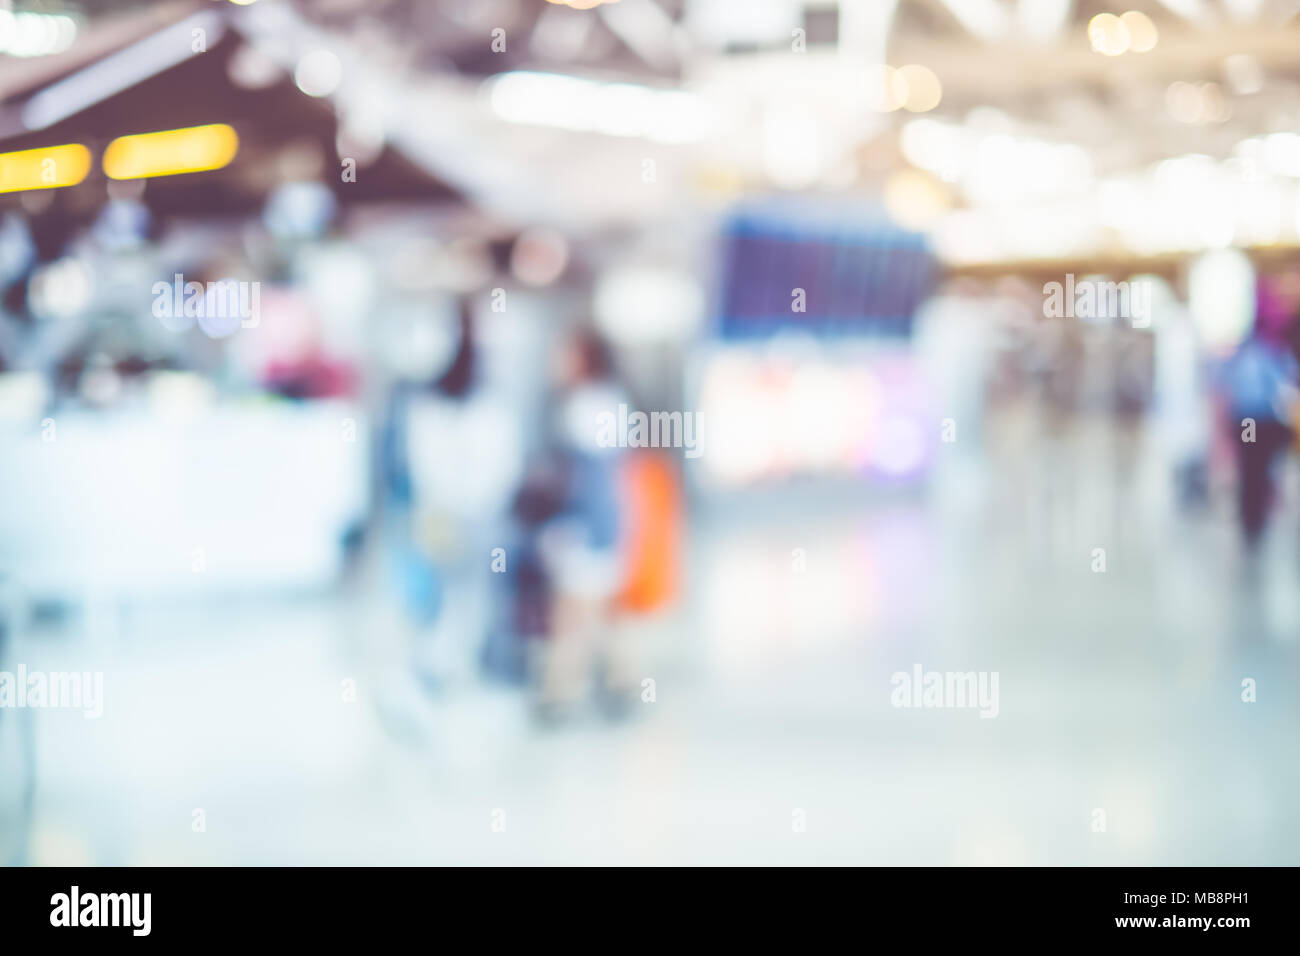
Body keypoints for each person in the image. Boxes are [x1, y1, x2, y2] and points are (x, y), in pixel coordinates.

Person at [532, 326, 634, 722]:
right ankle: (617, 685)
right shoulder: (612, 401)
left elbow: (578, 481)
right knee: (599, 610)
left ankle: (561, 692)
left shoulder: (582, 408)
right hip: (608, 523)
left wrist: (565, 527)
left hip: (584, 527)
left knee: (571, 611)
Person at [1219, 290, 1300, 546]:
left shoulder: (1242, 354)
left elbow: (1227, 387)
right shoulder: (1271, 353)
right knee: (1260, 468)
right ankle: (1256, 515)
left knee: (1248, 466)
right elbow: (1284, 386)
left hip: (1245, 421)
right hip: (1261, 421)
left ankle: (1250, 516)